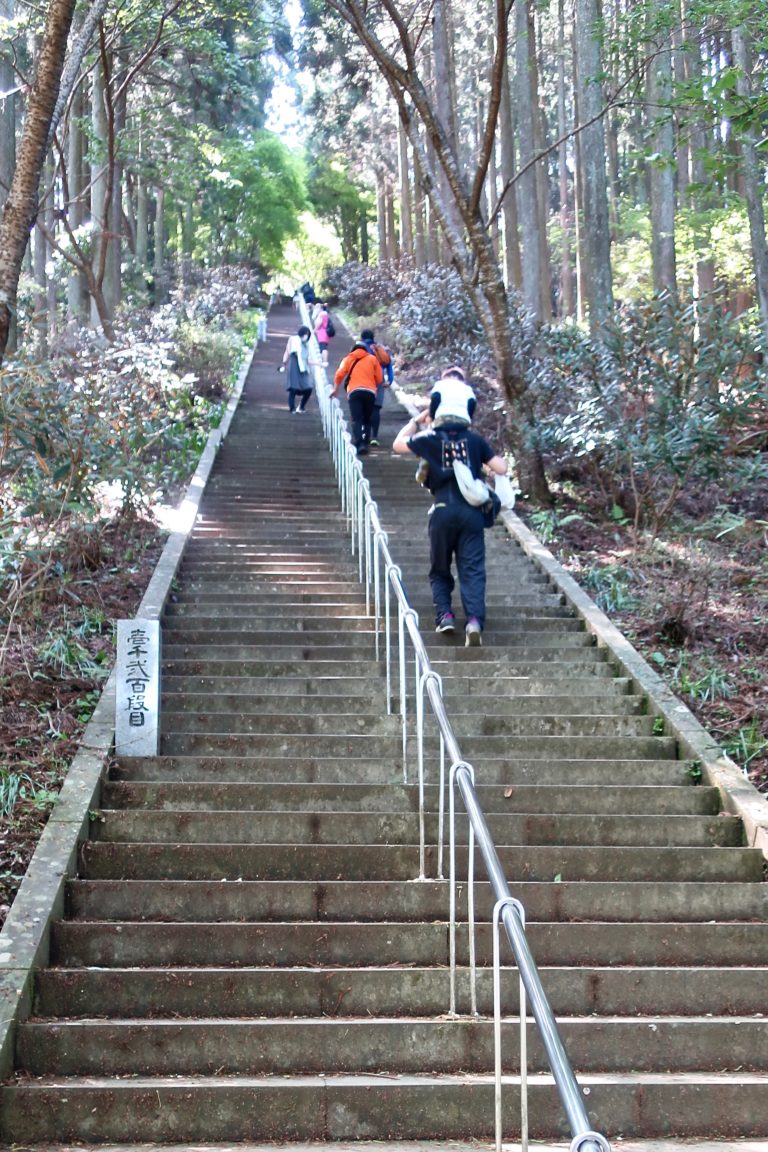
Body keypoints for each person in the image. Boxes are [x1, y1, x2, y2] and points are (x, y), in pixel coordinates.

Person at [392, 375, 507, 646]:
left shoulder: (430, 438)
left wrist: (417, 421)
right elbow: (501, 468)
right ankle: (474, 621)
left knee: (440, 569)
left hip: (442, 510)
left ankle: (445, 616)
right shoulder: (474, 440)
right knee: (473, 570)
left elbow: (398, 444)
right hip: (471, 515)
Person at [331, 340, 383, 456]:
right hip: (369, 392)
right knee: (367, 419)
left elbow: (339, 375)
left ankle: (359, 443)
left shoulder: (348, 359)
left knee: (357, 419)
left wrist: (335, 389)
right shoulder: (372, 359)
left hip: (354, 392)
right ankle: (365, 442)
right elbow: (379, 379)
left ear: (353, 349)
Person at [360, 328, 394, 447]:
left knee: (364, 408)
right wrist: (390, 380)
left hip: (364, 380)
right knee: (375, 408)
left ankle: (365, 435)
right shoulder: (380, 349)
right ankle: (374, 436)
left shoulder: (361, 348)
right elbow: (389, 364)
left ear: (362, 337)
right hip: (379, 381)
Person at [279, 325, 314, 413]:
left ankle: (301, 406)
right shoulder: (293, 339)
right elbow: (287, 352)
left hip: (304, 367)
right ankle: (292, 408)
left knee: (308, 388)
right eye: (306, 334)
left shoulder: (307, 344)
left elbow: (307, 359)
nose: (306, 336)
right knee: (293, 388)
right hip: (294, 364)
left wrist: (318, 364)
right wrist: (284, 363)